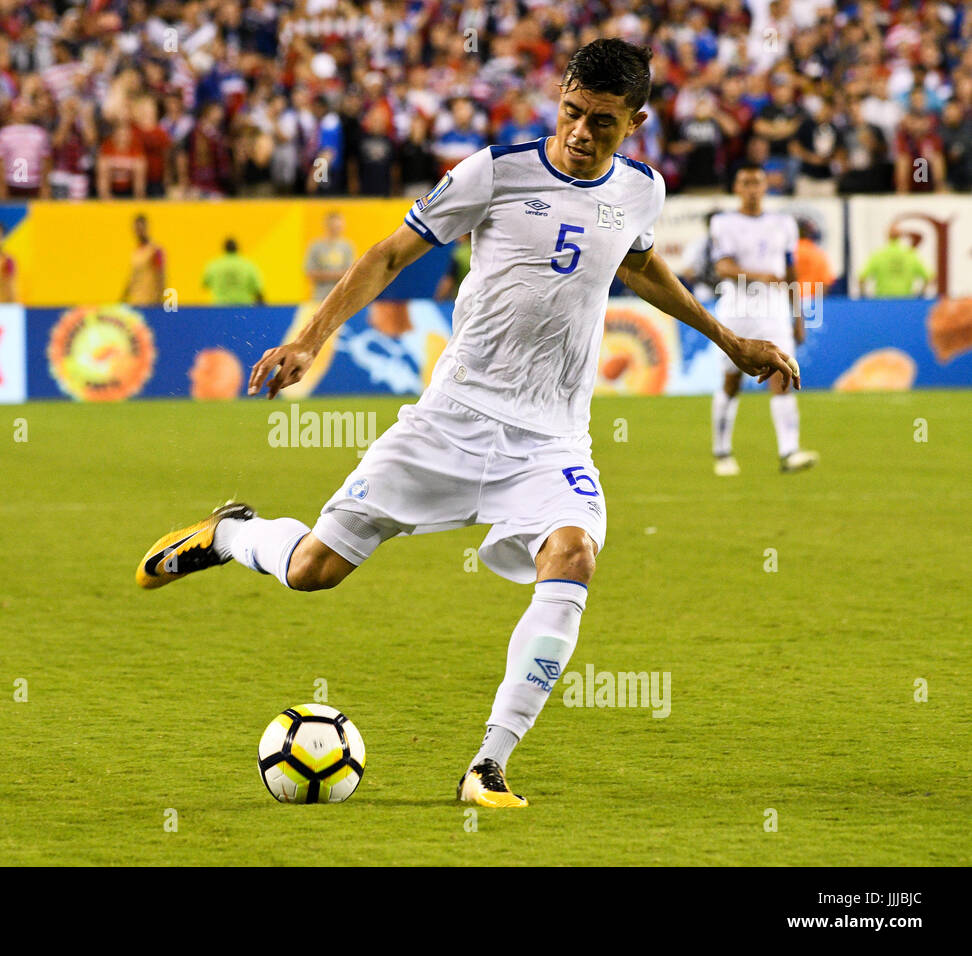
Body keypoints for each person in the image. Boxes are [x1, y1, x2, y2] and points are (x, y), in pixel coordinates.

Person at [135, 40, 799, 808]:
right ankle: (230, 534)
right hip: (450, 420)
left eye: (604, 123)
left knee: (575, 553)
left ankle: (488, 764)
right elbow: (388, 256)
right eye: (573, 112)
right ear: (560, 95)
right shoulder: (496, 170)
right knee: (314, 569)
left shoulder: (642, 191)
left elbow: (640, 265)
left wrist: (728, 340)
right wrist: (309, 341)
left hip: (551, 439)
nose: (582, 133)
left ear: (637, 122)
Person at [709, 163, 819, 477]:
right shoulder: (723, 223)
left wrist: (799, 316)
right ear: (736, 187)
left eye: (757, 182)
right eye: (746, 182)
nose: (753, 188)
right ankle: (722, 451)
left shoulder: (784, 223)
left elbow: (791, 271)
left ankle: (789, 451)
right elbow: (723, 268)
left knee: (783, 374)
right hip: (737, 311)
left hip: (773, 312)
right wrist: (760, 276)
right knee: (732, 382)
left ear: (765, 187)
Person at [858, 227, 932, 298]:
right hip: (906, 302)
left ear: (887, 236)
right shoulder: (910, 255)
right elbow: (928, 277)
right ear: (900, 237)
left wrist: (864, 297)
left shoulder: (878, 255)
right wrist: (920, 295)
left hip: (882, 302)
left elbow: (861, 278)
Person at [304, 212, 354, 302]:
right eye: (335, 227)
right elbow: (310, 273)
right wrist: (337, 274)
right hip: (319, 298)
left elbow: (350, 274)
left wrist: (324, 274)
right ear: (327, 226)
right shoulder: (316, 246)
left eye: (339, 226)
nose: (338, 229)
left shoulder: (347, 246)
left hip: (341, 298)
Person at [201, 237, 264, 306]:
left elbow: (205, 285)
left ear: (224, 248)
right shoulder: (248, 265)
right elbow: (258, 289)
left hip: (220, 308)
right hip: (243, 309)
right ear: (237, 248)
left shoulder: (213, 265)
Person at [123, 214, 165, 306]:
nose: (139, 232)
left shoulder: (155, 250)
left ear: (146, 228)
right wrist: (124, 297)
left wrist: (159, 300)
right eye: (137, 229)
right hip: (135, 301)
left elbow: (161, 277)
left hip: (150, 302)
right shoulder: (136, 252)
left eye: (141, 228)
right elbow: (133, 277)